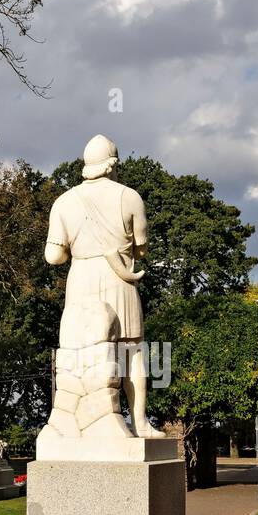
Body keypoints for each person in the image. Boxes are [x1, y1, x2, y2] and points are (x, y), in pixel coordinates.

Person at [45, 134, 164, 438]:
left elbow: (54, 256)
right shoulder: (129, 197)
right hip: (118, 277)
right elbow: (141, 248)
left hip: (80, 279)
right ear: (111, 166)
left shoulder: (63, 202)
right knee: (131, 353)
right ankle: (139, 422)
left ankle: (74, 425)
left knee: (79, 353)